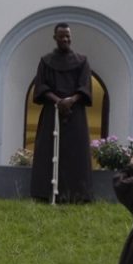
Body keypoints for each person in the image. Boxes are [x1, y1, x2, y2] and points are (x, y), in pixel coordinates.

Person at [30, 23, 94, 203]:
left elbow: (84, 86)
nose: (65, 39)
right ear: (55, 38)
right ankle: (45, 193)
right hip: (52, 110)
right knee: (47, 150)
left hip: (76, 112)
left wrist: (71, 100)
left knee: (76, 152)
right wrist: (58, 101)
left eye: (68, 36)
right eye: (61, 36)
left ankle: (77, 194)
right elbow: (41, 86)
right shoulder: (45, 61)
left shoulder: (82, 61)